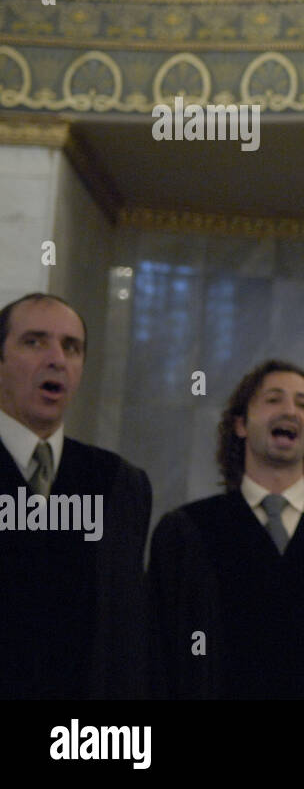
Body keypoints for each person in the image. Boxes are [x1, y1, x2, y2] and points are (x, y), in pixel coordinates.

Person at [149, 359, 304, 698]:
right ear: (240, 424)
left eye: (303, 404)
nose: (290, 411)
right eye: (273, 399)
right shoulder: (187, 532)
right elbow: (156, 661)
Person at [0, 292, 152, 698]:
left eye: (72, 348)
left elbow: (126, 638)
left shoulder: (120, 484)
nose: (57, 359)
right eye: (34, 342)